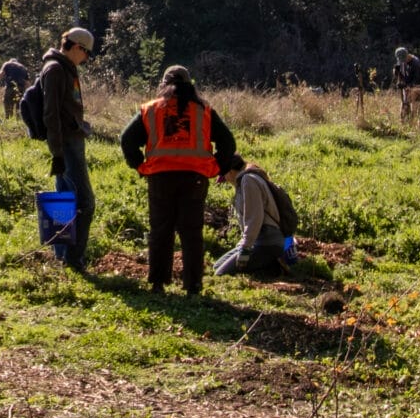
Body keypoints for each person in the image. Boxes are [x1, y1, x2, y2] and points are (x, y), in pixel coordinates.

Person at [120, 66, 240, 295]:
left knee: (160, 229)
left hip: (160, 178)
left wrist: (140, 166)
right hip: (195, 178)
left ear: (163, 84)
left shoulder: (150, 109)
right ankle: (193, 285)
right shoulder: (204, 110)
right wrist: (217, 168)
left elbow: (126, 139)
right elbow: (228, 143)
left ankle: (158, 283)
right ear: (189, 85)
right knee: (191, 232)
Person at [35, 26, 96, 272]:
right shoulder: (55, 69)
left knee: (64, 199)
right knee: (86, 203)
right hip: (66, 145)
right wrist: (57, 153)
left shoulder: (65, 68)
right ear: (77, 47)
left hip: (71, 142)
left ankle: (61, 256)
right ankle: (74, 260)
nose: (86, 58)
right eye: (86, 53)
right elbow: (50, 115)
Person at [212, 160, 294, 278]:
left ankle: (273, 266)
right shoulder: (245, 180)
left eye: (224, 175)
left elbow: (254, 219)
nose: (226, 180)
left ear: (230, 171)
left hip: (268, 242)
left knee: (221, 273)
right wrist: (241, 246)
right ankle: (265, 264)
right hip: (257, 241)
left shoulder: (248, 181)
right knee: (217, 266)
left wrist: (245, 249)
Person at [393, 47, 420, 122]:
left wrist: (405, 85)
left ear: (407, 55)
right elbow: (400, 72)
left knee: (416, 112)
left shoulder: (416, 64)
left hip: (418, 90)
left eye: (403, 60)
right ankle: (405, 123)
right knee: (405, 109)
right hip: (407, 89)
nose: (403, 62)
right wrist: (396, 72)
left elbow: (417, 81)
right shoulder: (402, 61)